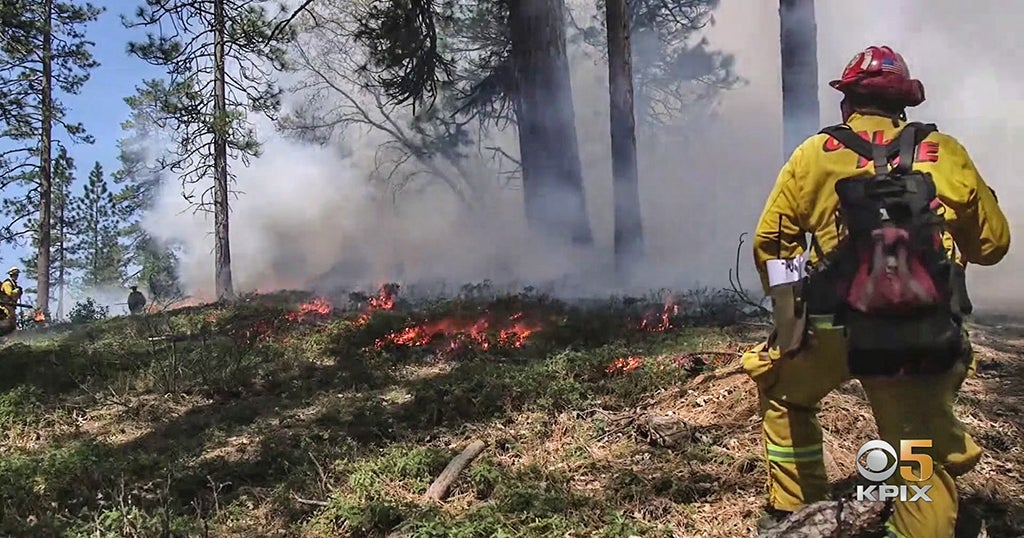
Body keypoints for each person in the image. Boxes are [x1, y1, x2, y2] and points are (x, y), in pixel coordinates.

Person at [743, 45, 1010, 537]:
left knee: (784, 394)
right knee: (917, 454)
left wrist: (789, 328)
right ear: (904, 105)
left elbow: (772, 243)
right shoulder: (945, 152)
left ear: (847, 103)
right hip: (921, 333)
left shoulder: (813, 155)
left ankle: (794, 511)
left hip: (833, 328)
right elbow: (993, 246)